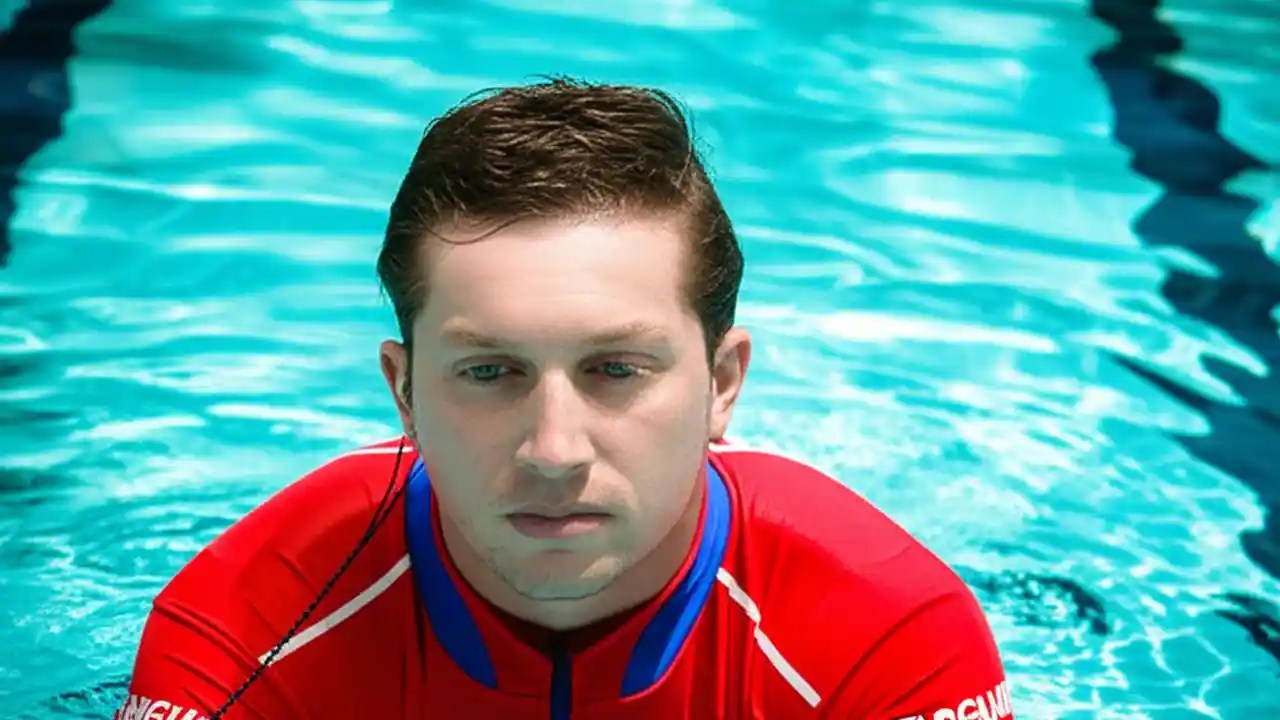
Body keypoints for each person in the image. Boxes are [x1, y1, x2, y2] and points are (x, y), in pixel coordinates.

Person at [115, 77, 1016, 720]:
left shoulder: (886, 640)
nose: (554, 451)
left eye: (615, 370)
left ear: (722, 385)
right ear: (404, 392)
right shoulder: (247, 635)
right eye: (489, 372)